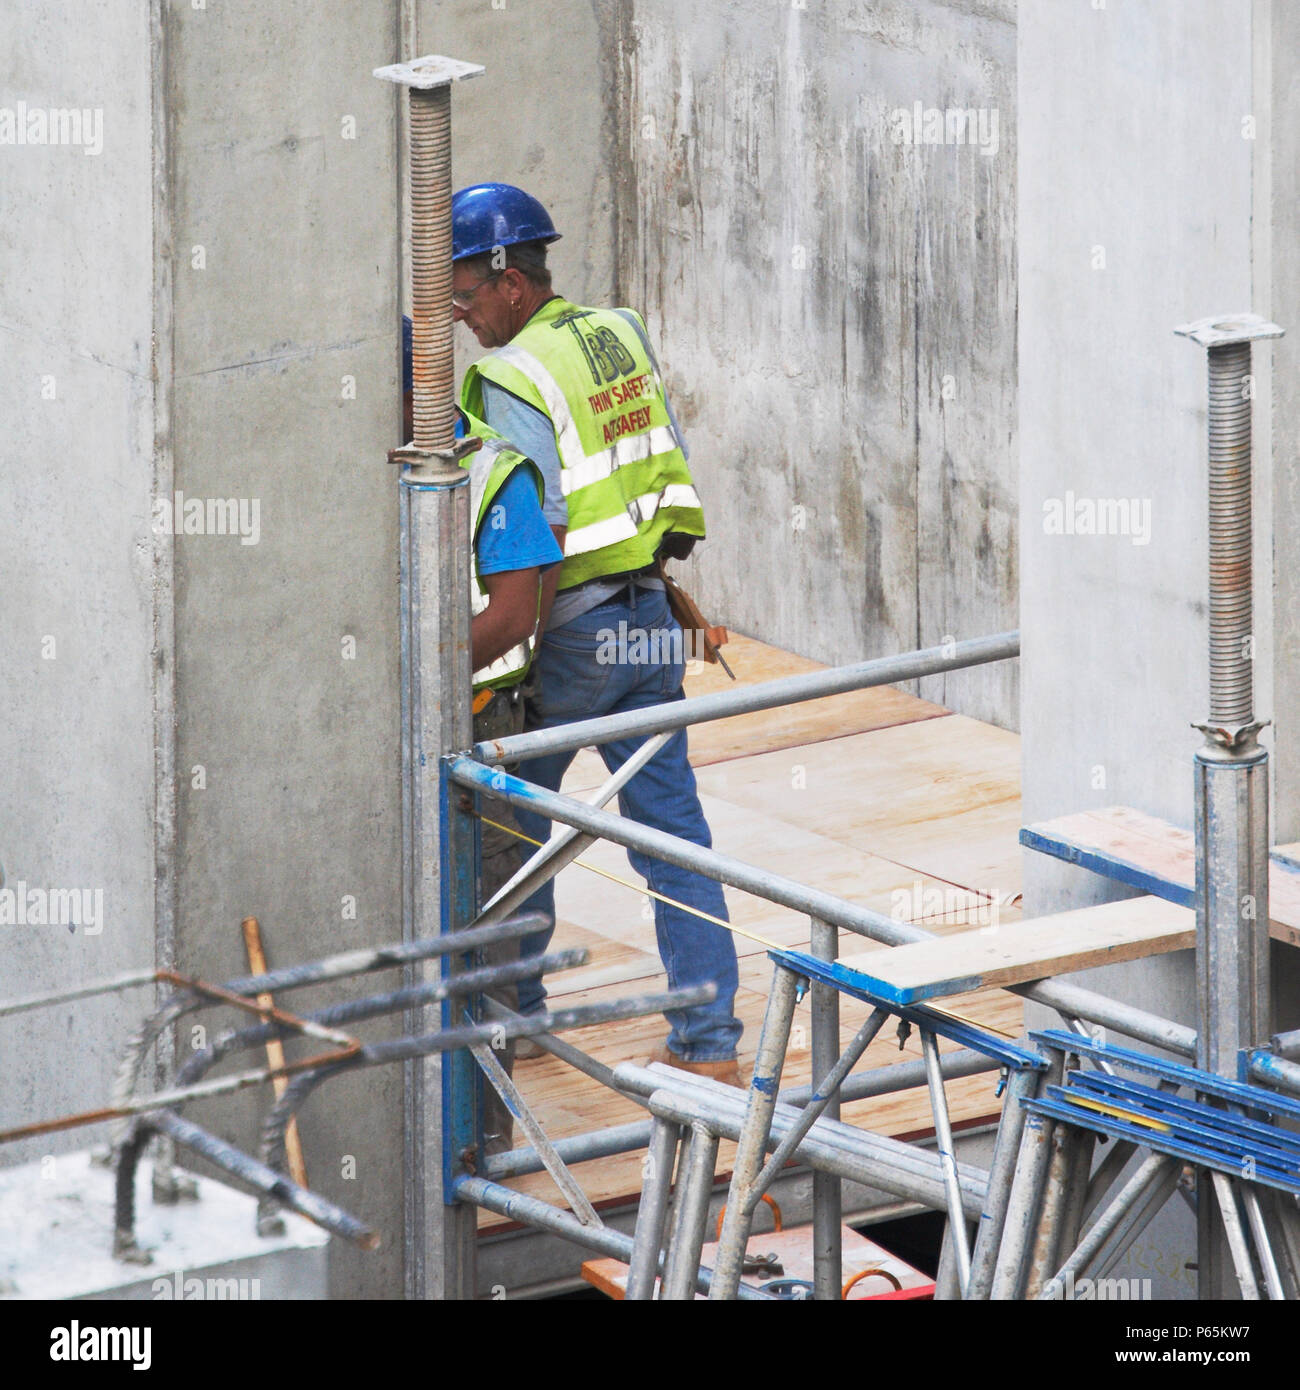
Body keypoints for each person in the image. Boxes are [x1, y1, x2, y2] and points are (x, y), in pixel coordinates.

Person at [450, 183, 743, 1083]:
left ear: (509, 278)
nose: (462, 320)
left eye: (465, 296)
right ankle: (710, 1037)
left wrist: (472, 648)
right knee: (669, 832)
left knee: (505, 826)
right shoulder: (616, 330)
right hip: (649, 618)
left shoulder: (509, 377)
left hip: (571, 632)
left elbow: (531, 542)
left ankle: (514, 1017)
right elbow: (667, 461)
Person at [403, 320, 564, 1147]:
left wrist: (416, 671)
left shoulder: (497, 473)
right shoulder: (396, 465)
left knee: (484, 923)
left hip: (478, 723)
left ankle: (487, 1140)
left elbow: (512, 613)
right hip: (405, 725)